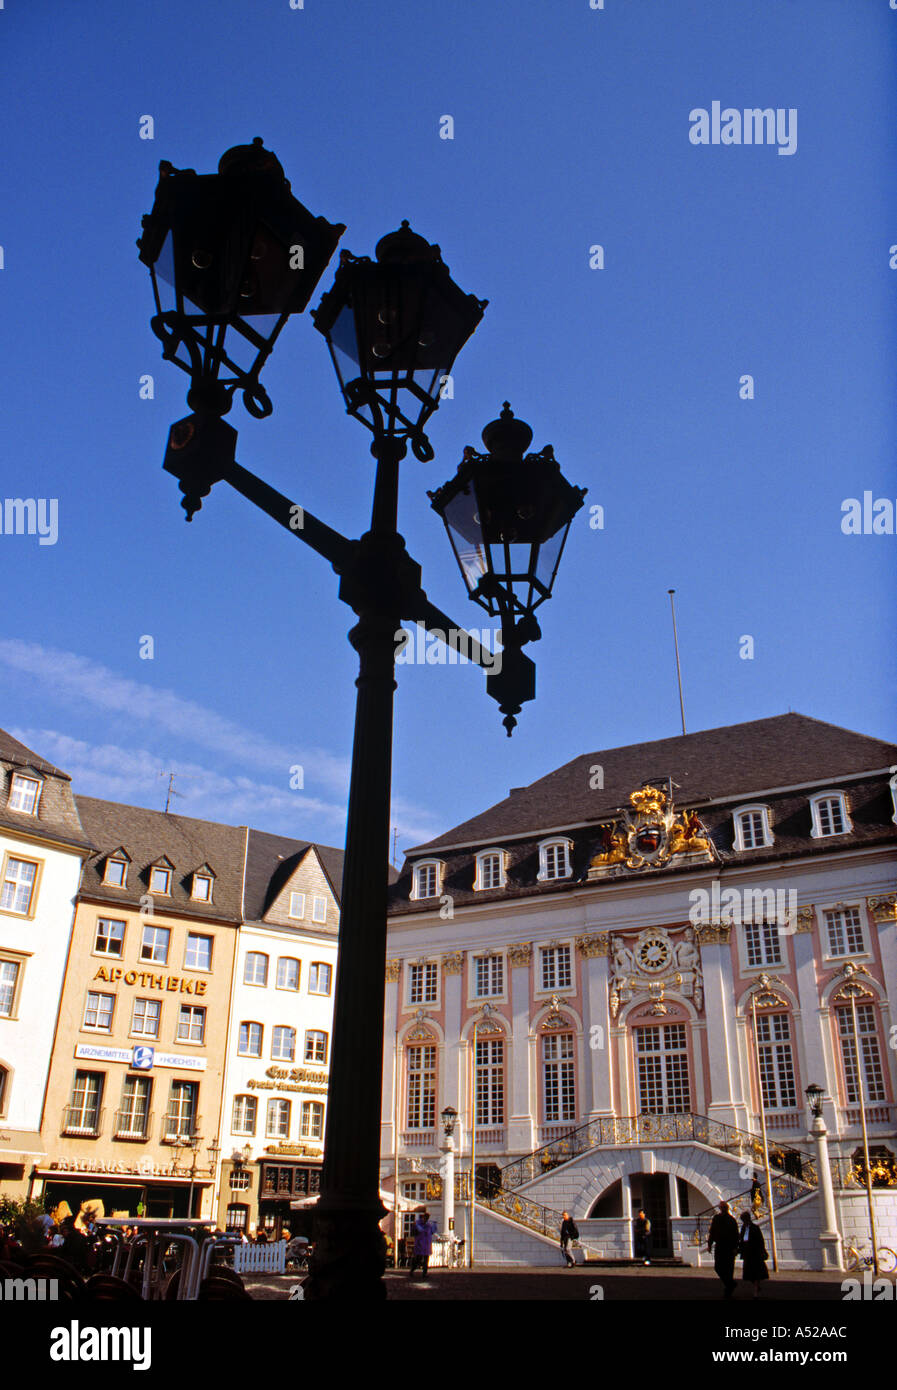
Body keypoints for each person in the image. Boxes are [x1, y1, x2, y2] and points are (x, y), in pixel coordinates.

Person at [707, 1200, 740, 1298]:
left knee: (729, 1269)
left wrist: (735, 1247)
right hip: (720, 1246)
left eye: (723, 1207)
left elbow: (736, 1235)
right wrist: (710, 1243)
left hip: (729, 1247)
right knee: (718, 1267)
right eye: (721, 1207)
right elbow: (712, 1232)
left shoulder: (731, 1220)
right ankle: (730, 1284)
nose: (721, 1209)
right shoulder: (716, 1218)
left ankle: (728, 1289)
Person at [739, 1211, 769, 1298]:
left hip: (755, 1253)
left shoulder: (755, 1228)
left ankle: (756, 1289)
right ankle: (756, 1286)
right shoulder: (743, 1228)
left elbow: (760, 1240)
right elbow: (741, 1239)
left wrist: (761, 1250)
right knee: (749, 1273)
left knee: (755, 1273)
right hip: (747, 1253)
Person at [408, 1210, 437, 1279]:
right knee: (418, 1259)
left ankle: (424, 1273)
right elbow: (415, 1231)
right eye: (425, 1218)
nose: (426, 1219)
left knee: (426, 1260)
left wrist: (434, 1225)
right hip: (420, 1245)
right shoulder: (418, 1223)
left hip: (426, 1245)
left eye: (427, 1218)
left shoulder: (428, 1225)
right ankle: (412, 1270)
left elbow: (433, 1231)